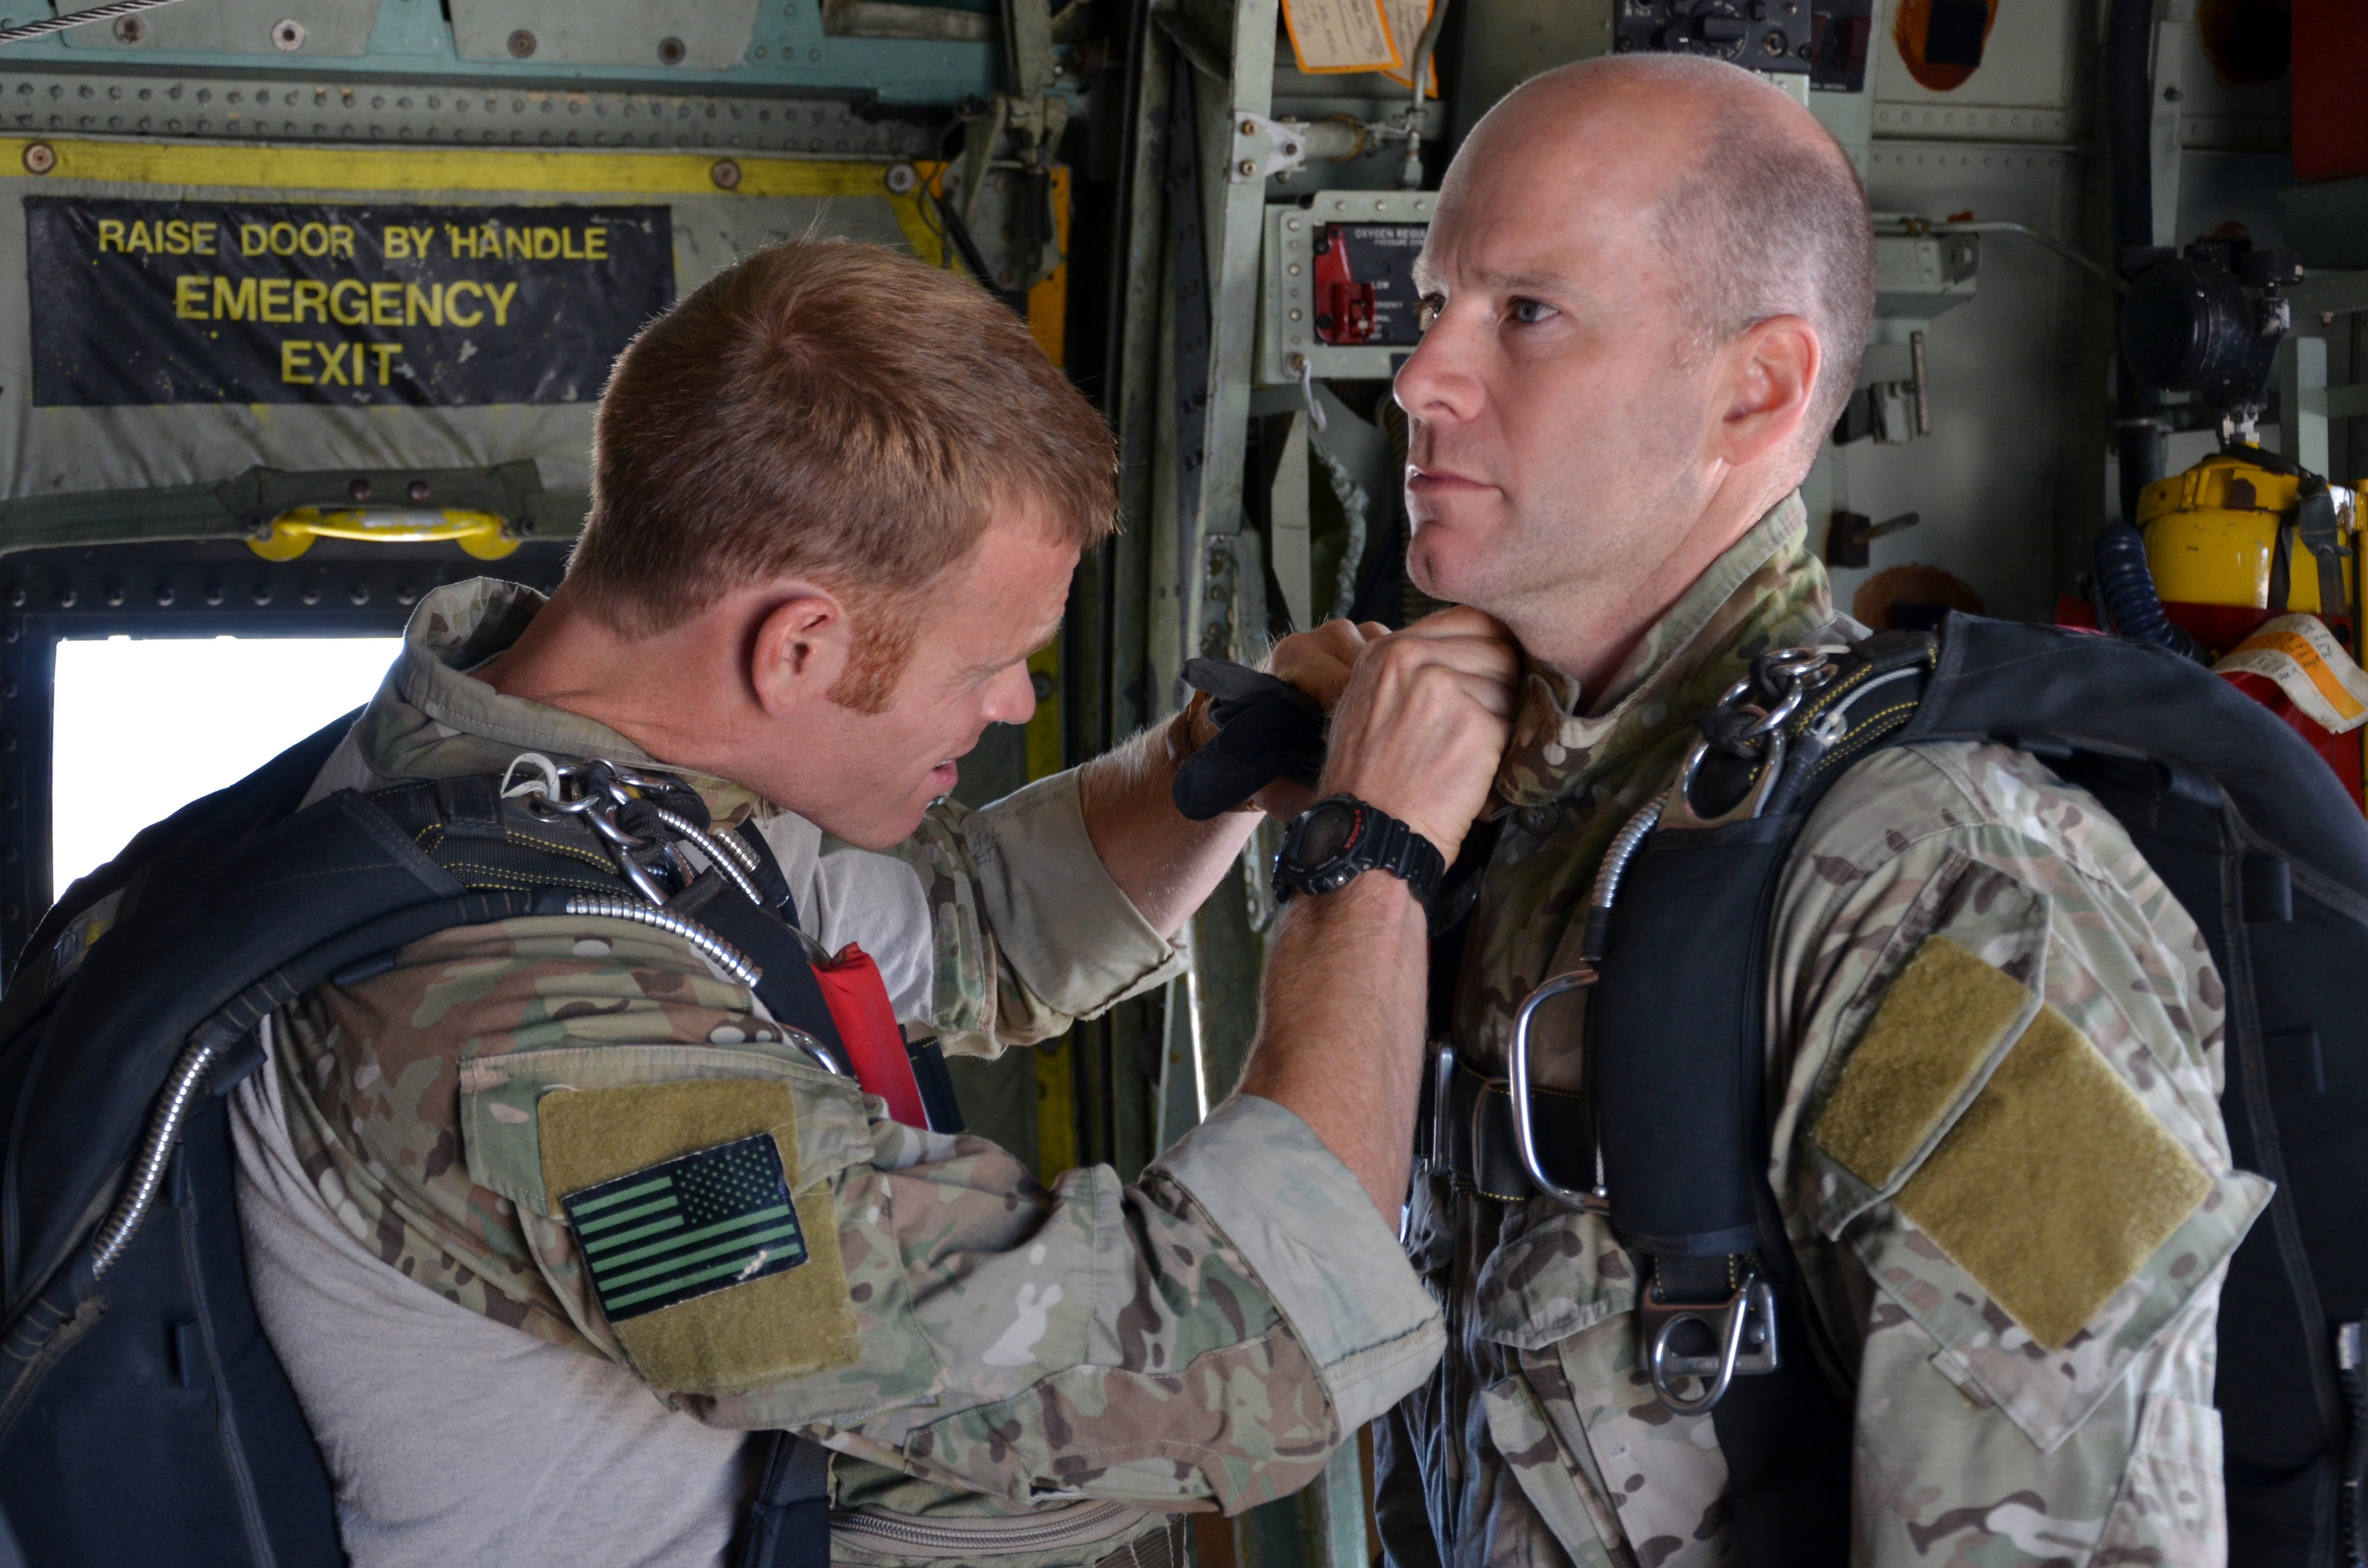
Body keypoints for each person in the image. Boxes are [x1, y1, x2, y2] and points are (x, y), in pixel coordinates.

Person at [225, 240, 1512, 1566]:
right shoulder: (541, 1044)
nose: (1014, 704)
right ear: (798, 644)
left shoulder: (566, 797)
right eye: (988, 666)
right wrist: (1369, 851)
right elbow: (1219, 1349)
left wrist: (1227, 759)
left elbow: (978, 927)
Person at [1261, 54, 2254, 1567]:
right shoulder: (1528, 812)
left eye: (1524, 314)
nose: (1419, 378)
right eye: (1437, 303)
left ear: (1758, 385)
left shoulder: (1949, 889)